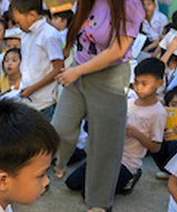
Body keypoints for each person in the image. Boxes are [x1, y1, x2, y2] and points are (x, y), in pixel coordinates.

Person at [50, 0, 145, 212]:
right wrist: (69, 56)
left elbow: (117, 49)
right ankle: (62, 161)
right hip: (79, 72)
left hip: (109, 78)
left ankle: (101, 201)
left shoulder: (130, 3)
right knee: (60, 127)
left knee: (104, 143)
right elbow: (80, 33)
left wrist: (77, 71)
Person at [66, 56, 165, 197]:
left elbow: (156, 147)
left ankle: (130, 178)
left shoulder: (158, 112)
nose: (138, 88)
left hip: (127, 161)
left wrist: (136, 133)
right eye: (136, 82)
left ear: (159, 83)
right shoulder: (130, 102)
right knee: (72, 183)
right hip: (108, 154)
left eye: (144, 84)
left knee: (89, 194)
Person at [10, 0, 65, 119]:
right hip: (28, 99)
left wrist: (32, 89)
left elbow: (58, 69)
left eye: (19, 21)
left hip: (44, 102)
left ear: (32, 15)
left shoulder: (49, 35)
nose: (18, 26)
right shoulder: (26, 33)